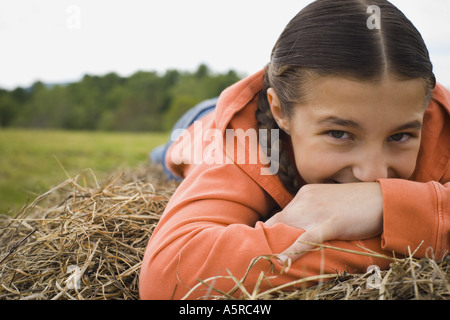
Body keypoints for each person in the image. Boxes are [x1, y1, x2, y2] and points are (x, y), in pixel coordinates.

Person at [139, 0, 450, 300]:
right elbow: (173, 278)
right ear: (281, 112)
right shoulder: (239, 142)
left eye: (399, 136)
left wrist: (384, 205)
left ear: (425, 110)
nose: (373, 174)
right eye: (339, 133)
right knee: (178, 147)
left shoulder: (439, 121)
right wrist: (418, 232)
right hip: (204, 123)